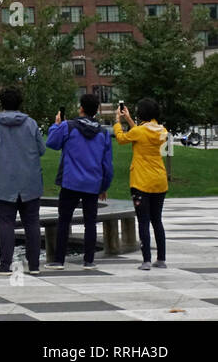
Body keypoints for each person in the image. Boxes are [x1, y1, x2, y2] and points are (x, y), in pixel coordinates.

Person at [45, 93, 114, 269]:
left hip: (71, 181)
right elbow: (107, 164)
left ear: (81, 108)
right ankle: (89, 260)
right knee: (90, 222)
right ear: (96, 111)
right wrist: (103, 185)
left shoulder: (69, 127)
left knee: (64, 220)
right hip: (92, 184)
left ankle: (59, 260)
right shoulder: (103, 133)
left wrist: (56, 124)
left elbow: (52, 142)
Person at [0, 86, 46, 276]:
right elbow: (41, 149)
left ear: (1, 103)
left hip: (4, 180)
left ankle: (5, 265)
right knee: (32, 222)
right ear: (20, 102)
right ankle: (34, 265)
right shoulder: (31, 123)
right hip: (30, 180)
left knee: (6, 223)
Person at [114, 98, 169, 271]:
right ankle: (161, 258)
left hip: (141, 181)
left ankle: (146, 260)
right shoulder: (163, 130)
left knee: (143, 221)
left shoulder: (139, 131)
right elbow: (142, 132)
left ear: (141, 113)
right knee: (157, 220)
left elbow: (122, 138)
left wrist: (118, 121)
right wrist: (129, 120)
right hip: (159, 181)